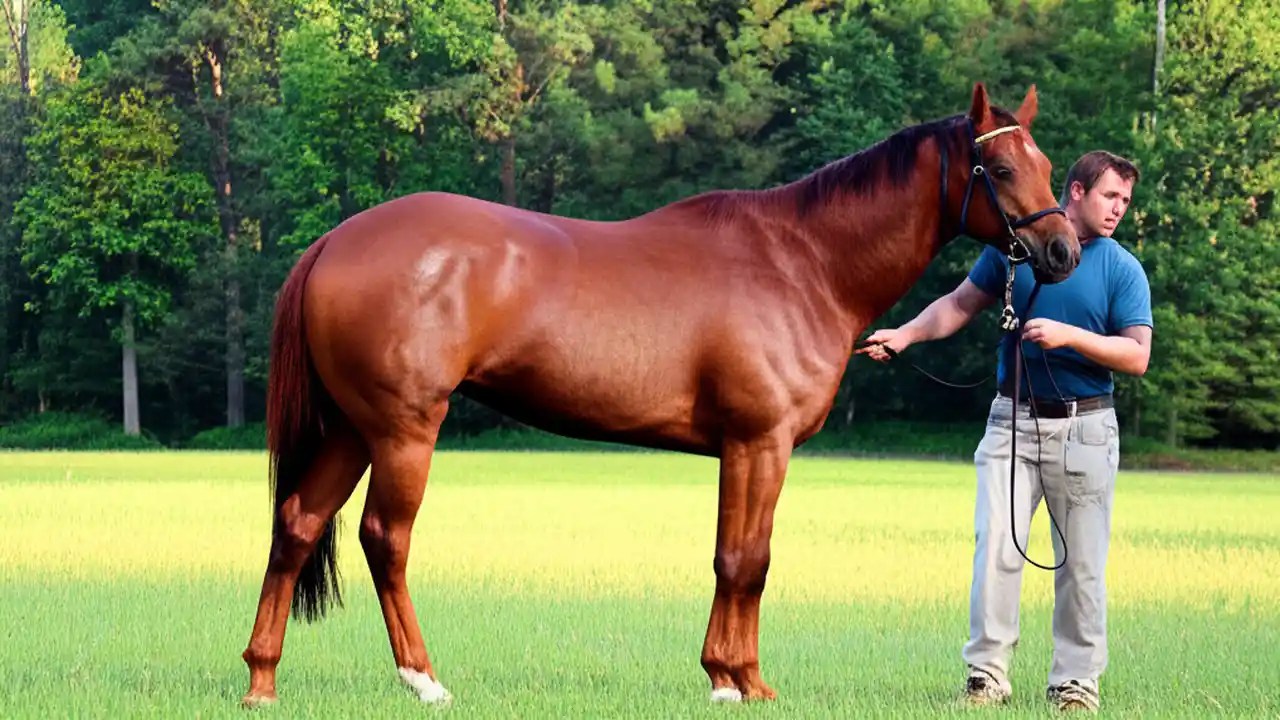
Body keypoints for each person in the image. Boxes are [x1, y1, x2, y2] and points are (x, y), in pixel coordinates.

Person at [856, 151, 1152, 713]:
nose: (1119, 209)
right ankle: (985, 677)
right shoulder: (1014, 249)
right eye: (1111, 196)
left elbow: (1137, 355)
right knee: (995, 550)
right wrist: (907, 335)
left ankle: (1075, 684)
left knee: (1081, 565)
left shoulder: (1121, 268)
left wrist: (1070, 337)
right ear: (1077, 190)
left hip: (1085, 429)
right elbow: (960, 304)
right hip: (1009, 421)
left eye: (1126, 202)